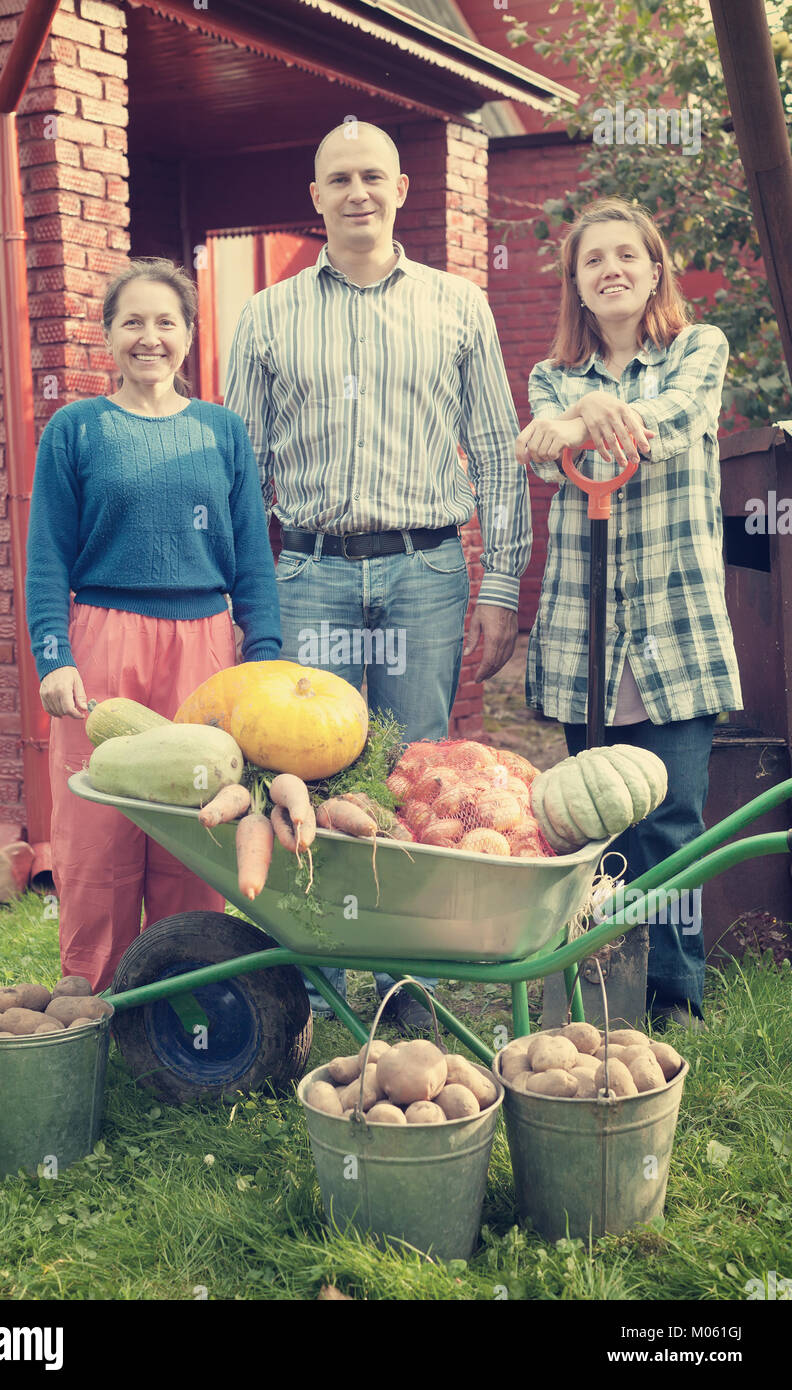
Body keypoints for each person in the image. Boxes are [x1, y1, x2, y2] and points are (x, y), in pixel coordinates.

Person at [224, 122, 531, 1031]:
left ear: (401, 188)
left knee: (411, 781)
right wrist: (249, 590)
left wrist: (501, 584)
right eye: (337, 179)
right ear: (314, 197)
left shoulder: (457, 305)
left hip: (425, 570)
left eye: (372, 177)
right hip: (310, 570)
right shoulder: (268, 316)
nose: (356, 192)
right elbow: (238, 469)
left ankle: (407, 998)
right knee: (303, 783)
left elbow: (496, 453)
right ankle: (309, 991)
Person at [516, 198, 742, 1030]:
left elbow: (673, 423)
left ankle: (676, 993)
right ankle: (600, 986)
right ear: (576, 285)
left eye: (626, 256)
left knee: (674, 819)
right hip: (587, 641)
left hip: (675, 632)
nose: (610, 269)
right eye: (592, 260)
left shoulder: (699, 348)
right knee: (593, 826)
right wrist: (575, 416)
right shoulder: (551, 377)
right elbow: (541, 457)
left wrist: (593, 419)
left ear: (653, 271)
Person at [26, 257, 282, 994]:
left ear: (189, 336)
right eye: (131, 322)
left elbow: (254, 566)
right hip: (102, 644)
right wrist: (55, 657)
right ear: (107, 337)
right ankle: (97, 1001)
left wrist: (260, 665)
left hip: (205, 644)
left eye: (165, 322)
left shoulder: (221, 431)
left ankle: (190, 999)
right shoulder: (76, 430)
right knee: (98, 834)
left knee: (196, 828)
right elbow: (46, 558)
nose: (149, 337)